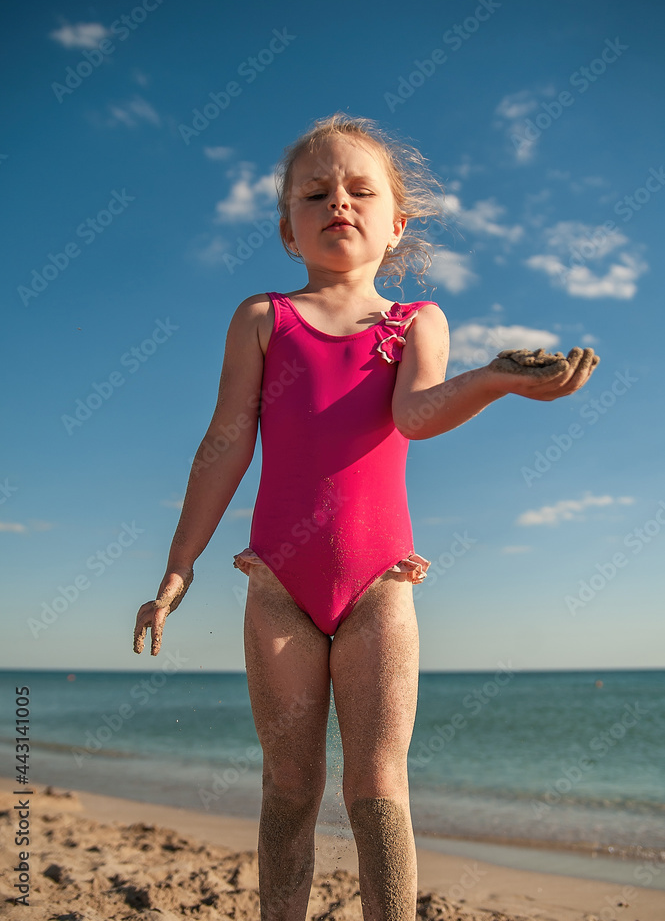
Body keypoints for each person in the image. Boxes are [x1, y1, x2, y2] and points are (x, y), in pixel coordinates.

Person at [133, 113, 599, 919]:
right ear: (287, 228)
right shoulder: (262, 318)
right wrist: (180, 564)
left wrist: (497, 378)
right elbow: (225, 441)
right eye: (314, 193)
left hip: (379, 582)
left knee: (377, 788)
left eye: (359, 191)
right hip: (279, 580)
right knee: (289, 784)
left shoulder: (415, 320)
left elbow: (416, 415)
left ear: (396, 225)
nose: (337, 203)